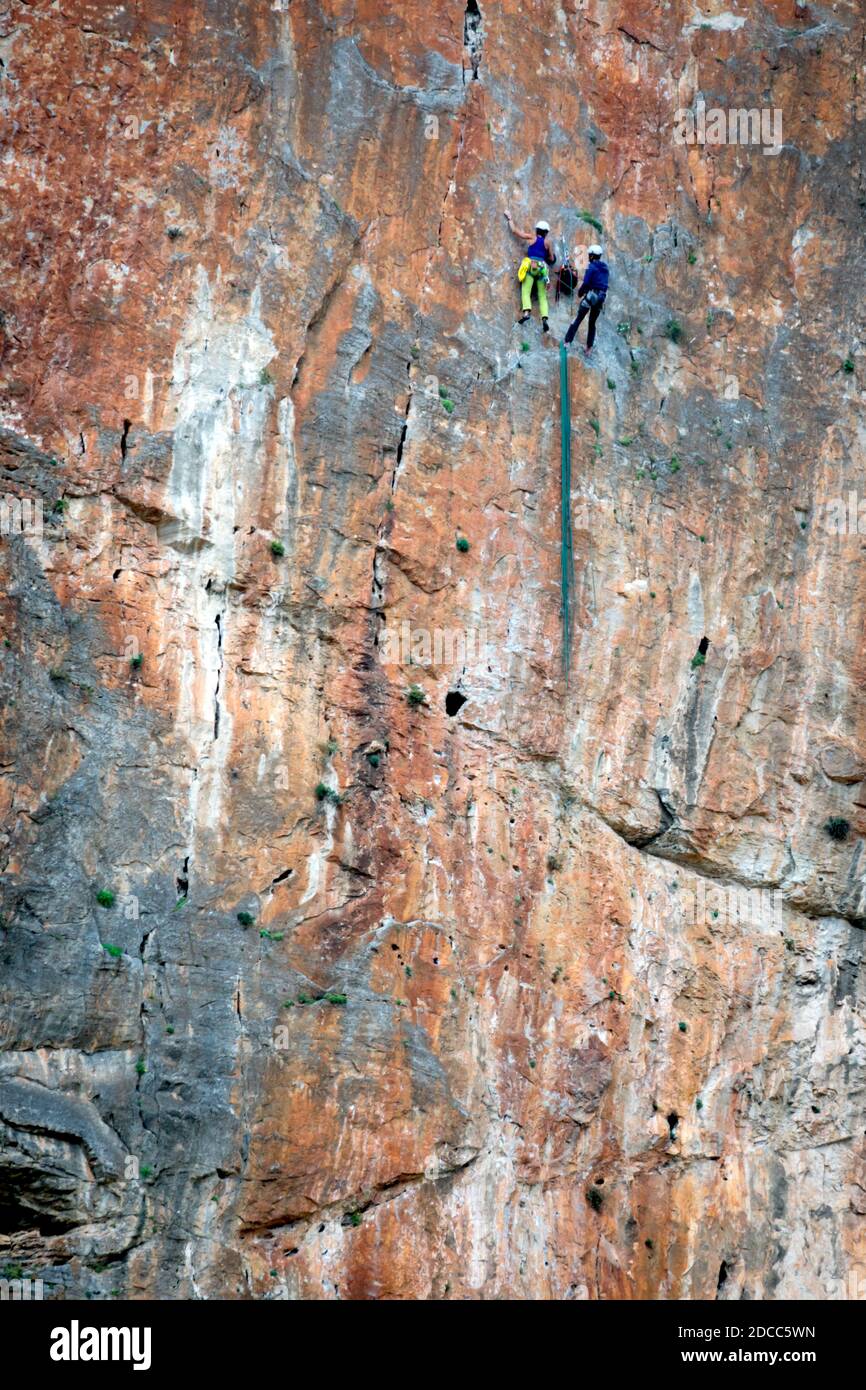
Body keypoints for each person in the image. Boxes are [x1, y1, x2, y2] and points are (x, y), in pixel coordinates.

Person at [505, 210, 556, 333]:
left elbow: (515, 231)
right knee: (542, 296)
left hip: (530, 267)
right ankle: (544, 319)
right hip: (542, 269)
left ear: (537, 230)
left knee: (526, 291)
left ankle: (526, 312)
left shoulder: (532, 237)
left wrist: (510, 218)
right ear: (546, 233)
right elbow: (551, 258)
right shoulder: (547, 243)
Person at [564, 244, 609, 356]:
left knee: (578, 318)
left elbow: (586, 283)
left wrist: (580, 292)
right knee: (592, 323)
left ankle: (567, 341)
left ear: (593, 256)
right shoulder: (605, 268)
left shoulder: (591, 267)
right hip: (601, 298)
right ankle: (588, 348)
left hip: (591, 295)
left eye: (589, 255)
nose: (588, 257)